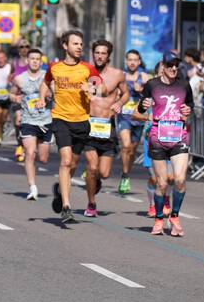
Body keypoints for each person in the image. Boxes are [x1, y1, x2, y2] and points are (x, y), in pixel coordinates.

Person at [41, 30, 100, 226]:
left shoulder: (87, 69)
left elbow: (100, 87)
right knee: (65, 161)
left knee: (73, 164)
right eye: (75, 43)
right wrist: (43, 97)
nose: (79, 47)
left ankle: (60, 192)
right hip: (61, 119)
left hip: (81, 122)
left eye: (81, 44)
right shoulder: (55, 67)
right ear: (65, 46)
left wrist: (91, 89)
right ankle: (66, 207)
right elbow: (46, 82)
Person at [136, 53, 195, 237]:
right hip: (158, 137)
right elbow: (140, 107)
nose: (174, 68)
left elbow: (190, 104)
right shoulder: (152, 84)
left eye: (176, 65)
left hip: (179, 137)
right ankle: (159, 219)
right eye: (170, 65)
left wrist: (188, 109)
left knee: (179, 179)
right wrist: (144, 105)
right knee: (161, 183)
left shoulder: (184, 84)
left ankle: (175, 216)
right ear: (163, 65)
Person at [82, 40, 127, 218]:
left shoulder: (117, 74)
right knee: (92, 168)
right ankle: (91, 203)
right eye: (97, 53)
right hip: (89, 125)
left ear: (108, 56)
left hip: (107, 127)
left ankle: (95, 182)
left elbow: (126, 93)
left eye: (103, 53)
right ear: (93, 54)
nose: (100, 56)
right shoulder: (84, 72)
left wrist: (120, 103)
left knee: (104, 173)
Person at [10, 46, 52, 198]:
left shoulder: (47, 77)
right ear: (27, 60)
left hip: (46, 120)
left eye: (38, 59)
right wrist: (16, 98)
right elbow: (12, 94)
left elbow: (54, 94)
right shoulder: (19, 79)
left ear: (41, 62)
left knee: (43, 158)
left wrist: (48, 95)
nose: (35, 62)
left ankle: (34, 170)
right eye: (32, 59)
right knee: (29, 153)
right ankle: (32, 187)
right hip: (28, 121)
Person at [117, 49, 150, 194]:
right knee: (125, 145)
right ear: (126, 61)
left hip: (138, 117)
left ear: (139, 61)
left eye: (135, 60)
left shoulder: (145, 77)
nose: (132, 62)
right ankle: (124, 176)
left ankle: (126, 173)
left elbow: (151, 96)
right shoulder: (121, 76)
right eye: (129, 59)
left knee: (131, 150)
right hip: (124, 117)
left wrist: (142, 90)